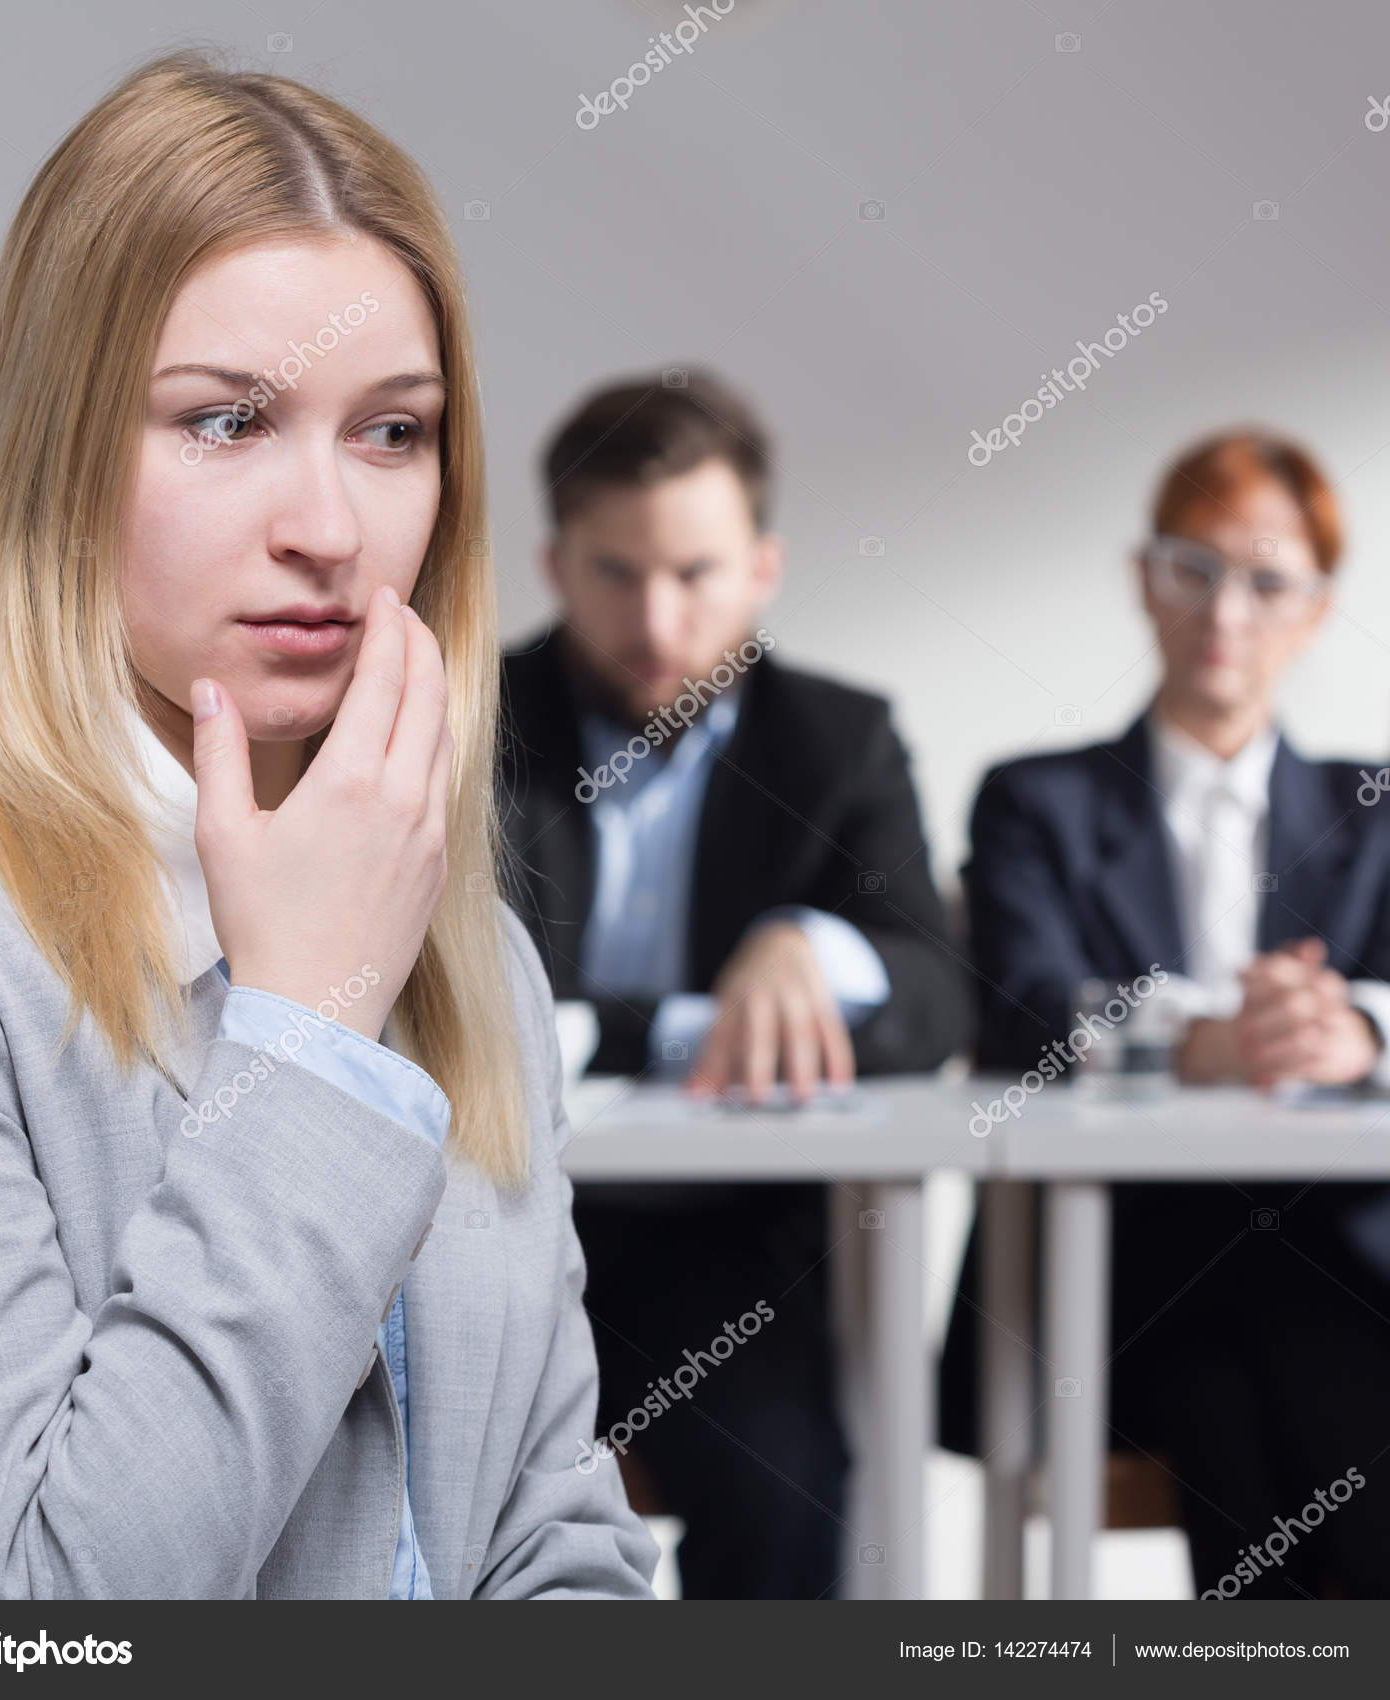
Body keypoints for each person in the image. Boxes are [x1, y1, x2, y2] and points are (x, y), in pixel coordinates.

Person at [0, 51, 658, 1602]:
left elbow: (556, 1533)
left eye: (393, 433)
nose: (328, 528)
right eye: (226, 421)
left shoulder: (469, 949)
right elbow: (56, 1607)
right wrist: (311, 1034)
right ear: (55, 457)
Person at [499, 371, 968, 1596]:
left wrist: (817, 941)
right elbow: (440, 1003)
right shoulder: (463, 722)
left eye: (694, 573)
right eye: (616, 571)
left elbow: (939, 995)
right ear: (555, 563)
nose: (656, 619)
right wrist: (671, 1022)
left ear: (761, 568)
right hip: (498, 1224)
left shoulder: (839, 738)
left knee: (789, 1492)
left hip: (738, 1254)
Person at [941, 428, 1390, 1599]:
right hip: (1120, 1279)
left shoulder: (1373, 810)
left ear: (1315, 606)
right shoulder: (1034, 800)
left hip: (1343, 1263)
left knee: (1290, 1343)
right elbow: (1020, 1011)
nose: (1223, 609)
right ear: (1146, 578)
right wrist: (1202, 1040)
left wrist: (1359, 1030)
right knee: (1239, 1350)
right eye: (1193, 566)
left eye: (1266, 578)